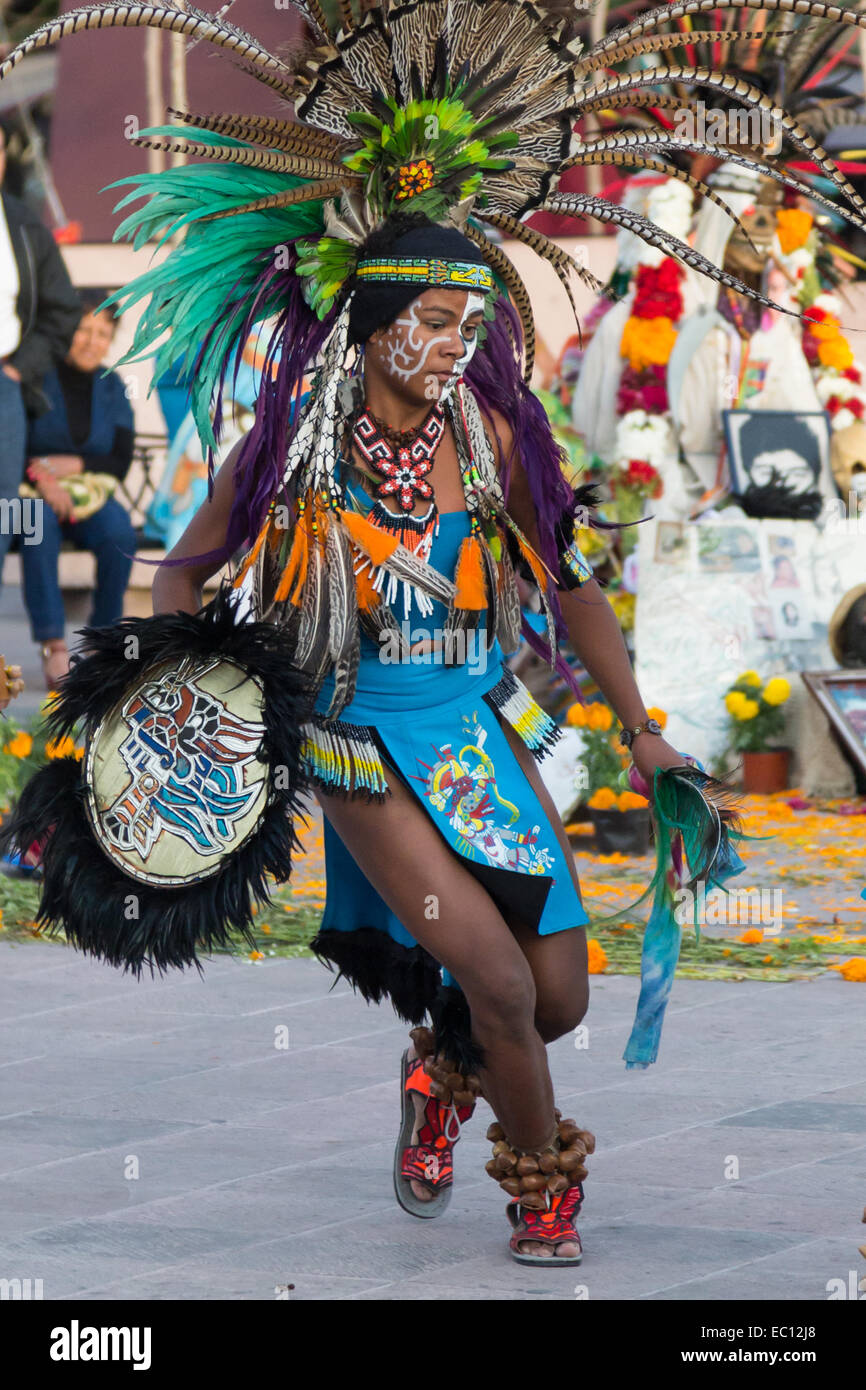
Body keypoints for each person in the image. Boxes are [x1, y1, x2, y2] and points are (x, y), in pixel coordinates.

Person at [1, 0, 853, 1272]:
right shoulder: (292, 449)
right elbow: (183, 563)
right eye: (437, 323)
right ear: (373, 322)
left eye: (472, 324)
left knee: (553, 996)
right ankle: (543, 1187)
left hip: (469, 729)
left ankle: (440, 1070)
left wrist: (640, 730)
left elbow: (568, 585)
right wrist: (170, 685)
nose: (460, 347)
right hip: (354, 740)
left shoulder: (493, 440)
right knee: (497, 982)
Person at [20, 290, 137, 686]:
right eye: (83, 330)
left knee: (120, 533)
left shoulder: (113, 385)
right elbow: (10, 443)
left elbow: (120, 458)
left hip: (90, 493)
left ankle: (100, 644)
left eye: (102, 333)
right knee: (35, 526)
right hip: (30, 491)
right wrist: (45, 479)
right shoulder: (35, 378)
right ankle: (53, 647)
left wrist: (77, 465)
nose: (91, 341)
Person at [0, 118, 81, 587]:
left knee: (4, 507)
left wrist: (18, 370)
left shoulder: (25, 224)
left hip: (4, 384)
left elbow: (63, 310)